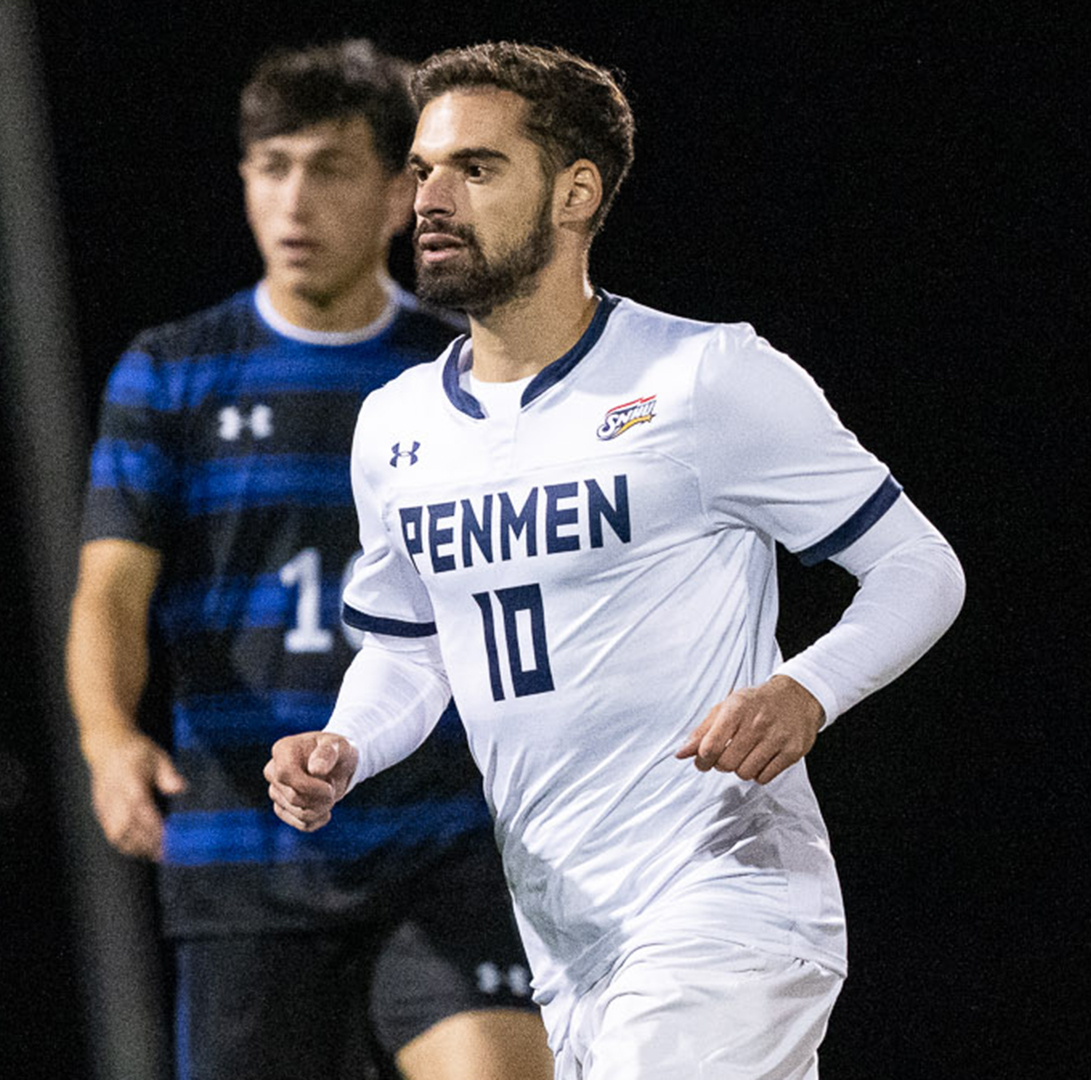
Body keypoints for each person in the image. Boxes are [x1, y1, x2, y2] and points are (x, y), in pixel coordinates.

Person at [263, 42, 966, 1079]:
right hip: (568, 941)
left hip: (726, 900)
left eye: (477, 168)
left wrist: (804, 691)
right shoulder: (397, 424)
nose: (431, 199)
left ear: (576, 192)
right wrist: (346, 744)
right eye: (422, 169)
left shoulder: (705, 376)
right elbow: (413, 648)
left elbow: (919, 567)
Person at [66, 40, 552, 1080]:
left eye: (328, 169)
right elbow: (110, 590)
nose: (294, 200)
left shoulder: (466, 372)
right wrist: (109, 741)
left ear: (398, 196)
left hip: (443, 842)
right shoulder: (171, 372)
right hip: (247, 857)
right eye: (271, 167)